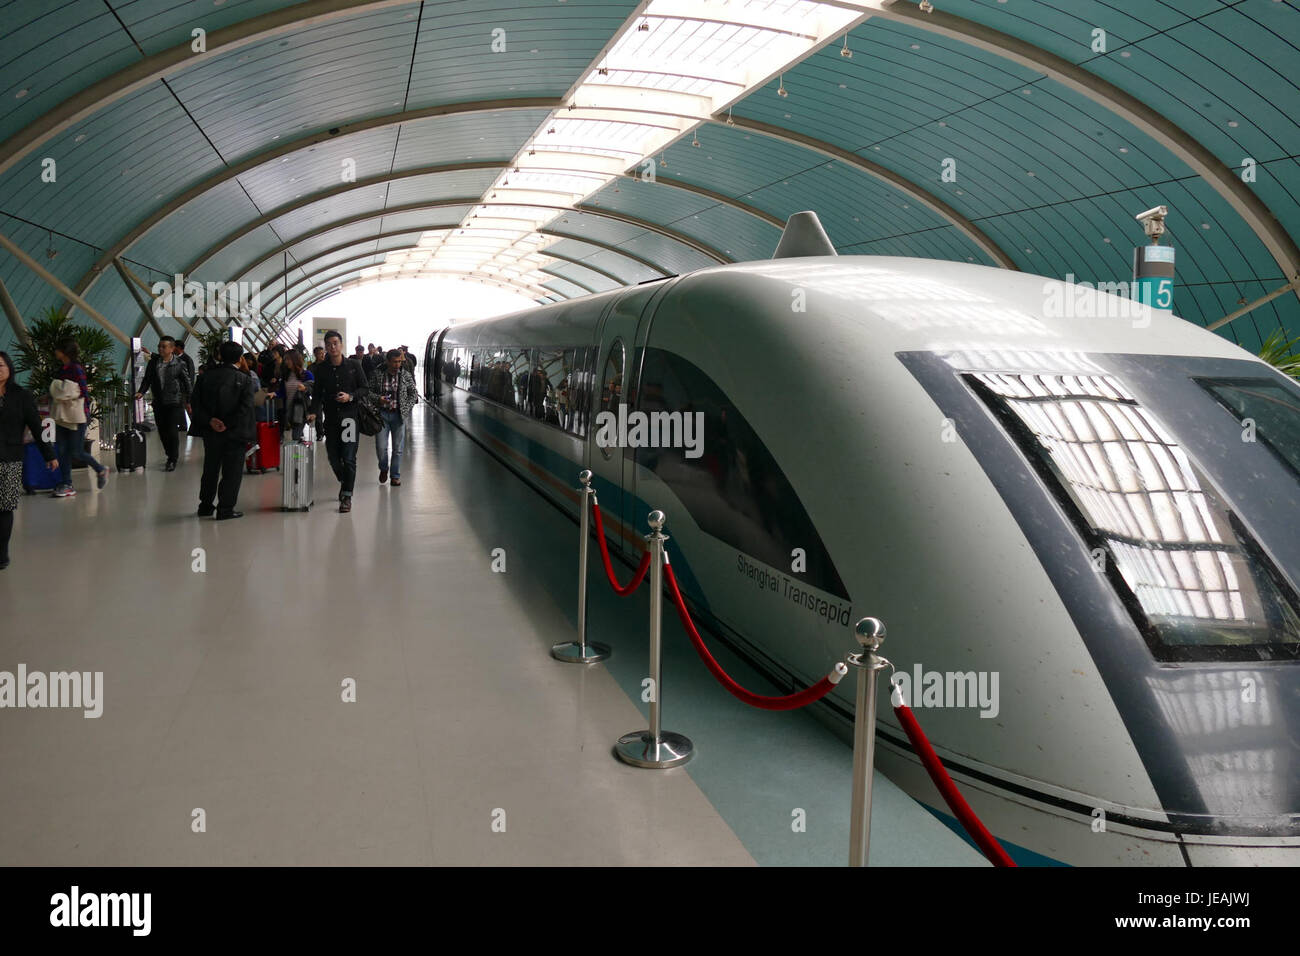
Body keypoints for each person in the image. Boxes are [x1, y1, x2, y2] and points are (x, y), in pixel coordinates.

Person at [0, 351, 59, 569]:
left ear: (9, 369)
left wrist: (49, 454)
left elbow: (36, 425)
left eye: (1, 366)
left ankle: (2, 552)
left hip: (10, 457)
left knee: (5, 507)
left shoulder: (21, 396)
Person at [189, 341, 254, 520]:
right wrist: (227, 423)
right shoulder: (245, 380)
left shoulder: (205, 377)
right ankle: (225, 508)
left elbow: (195, 403)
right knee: (232, 471)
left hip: (211, 432)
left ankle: (205, 505)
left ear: (220, 355)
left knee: (210, 468)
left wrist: (211, 421)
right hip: (235, 433)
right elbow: (245, 408)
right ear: (240, 358)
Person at [308, 329, 369, 513]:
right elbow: (317, 394)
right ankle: (345, 481)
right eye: (328, 344)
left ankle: (347, 495)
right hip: (331, 420)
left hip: (350, 418)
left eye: (335, 343)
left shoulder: (353, 366)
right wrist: (313, 412)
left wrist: (350, 396)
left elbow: (364, 388)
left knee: (349, 457)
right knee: (334, 458)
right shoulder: (321, 369)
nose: (332, 347)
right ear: (325, 347)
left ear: (341, 345)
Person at [49, 338, 108, 497]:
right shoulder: (63, 368)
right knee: (62, 450)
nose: (55, 352)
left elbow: (82, 392)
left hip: (76, 416)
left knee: (76, 451)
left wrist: (85, 412)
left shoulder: (76, 369)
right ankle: (67, 483)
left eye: (58, 349)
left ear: (64, 351)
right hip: (63, 416)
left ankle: (100, 469)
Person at [134, 335, 192, 471]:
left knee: (172, 430)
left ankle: (173, 458)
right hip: (159, 401)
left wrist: (188, 400)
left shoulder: (179, 364)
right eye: (159, 346)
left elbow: (187, 382)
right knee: (162, 431)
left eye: (163, 346)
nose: (160, 349)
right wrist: (141, 392)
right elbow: (147, 379)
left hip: (174, 401)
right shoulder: (154, 363)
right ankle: (169, 453)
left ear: (172, 349)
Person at [369, 348, 418, 486]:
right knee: (381, 447)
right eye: (395, 362)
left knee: (398, 448)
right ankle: (383, 468)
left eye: (399, 362)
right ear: (388, 361)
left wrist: (406, 409)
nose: (398, 365)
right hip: (382, 416)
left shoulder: (405, 375)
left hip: (399, 416)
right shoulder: (378, 374)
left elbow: (413, 394)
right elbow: (368, 392)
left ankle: (395, 475)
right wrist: (379, 399)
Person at [275, 349, 314, 441]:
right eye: (285, 359)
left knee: (295, 436)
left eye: (288, 359)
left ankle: (298, 454)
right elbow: (282, 392)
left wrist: (305, 388)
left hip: (300, 410)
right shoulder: (286, 375)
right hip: (289, 410)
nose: (286, 362)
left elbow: (314, 390)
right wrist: (275, 393)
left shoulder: (306, 374)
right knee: (297, 436)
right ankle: (300, 453)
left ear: (295, 359)